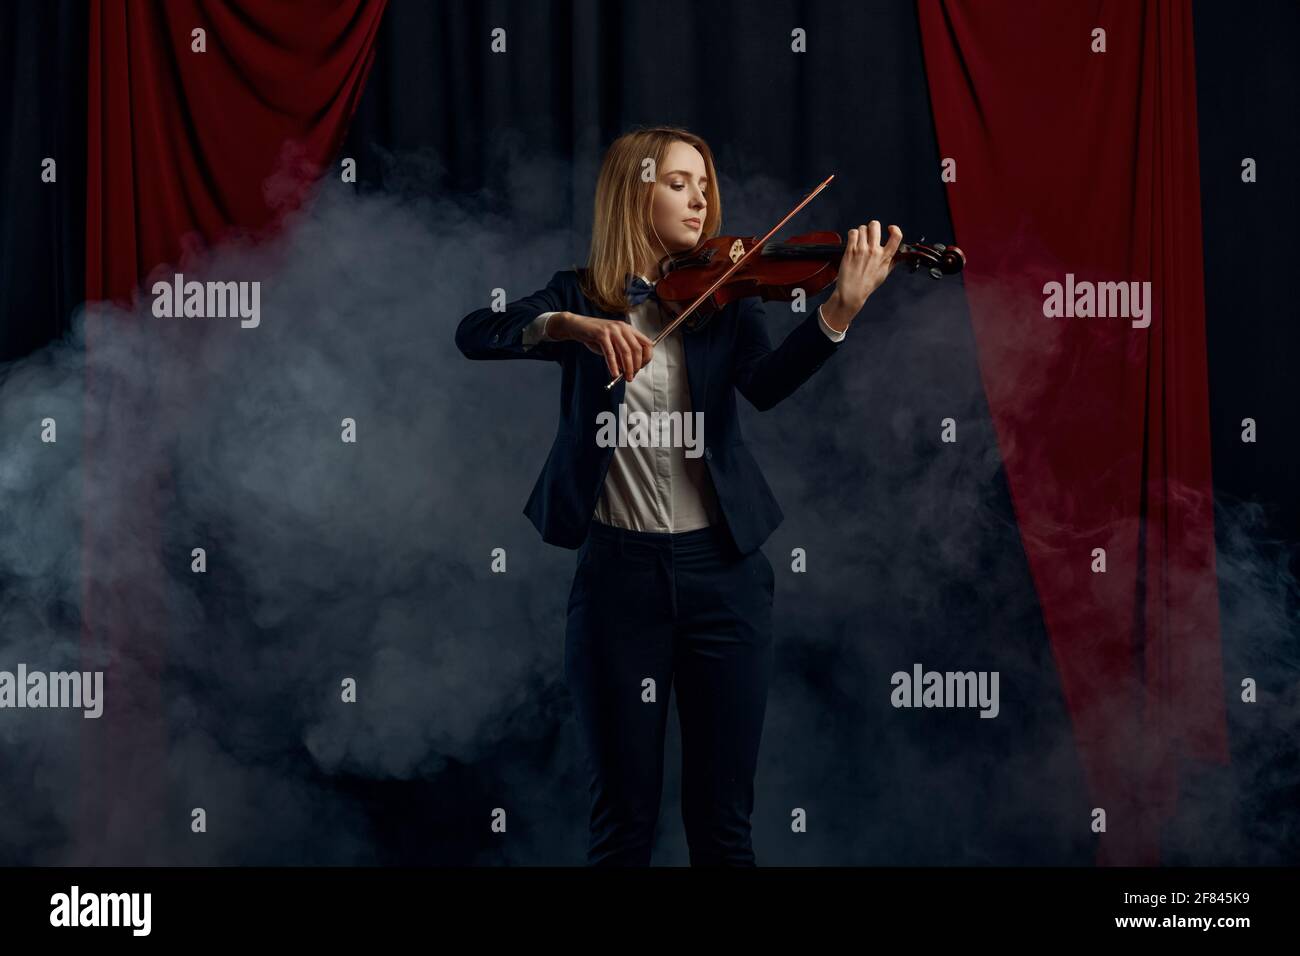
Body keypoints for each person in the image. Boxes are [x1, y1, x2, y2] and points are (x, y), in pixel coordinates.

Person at [455, 125, 902, 865]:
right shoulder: (579, 293)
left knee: (723, 828)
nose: (700, 200)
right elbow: (476, 332)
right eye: (678, 183)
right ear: (635, 192)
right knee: (621, 826)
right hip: (616, 580)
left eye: (704, 186)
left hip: (723, 577)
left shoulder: (728, 291)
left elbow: (763, 387)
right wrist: (573, 326)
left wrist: (839, 310)